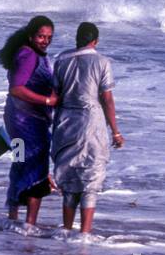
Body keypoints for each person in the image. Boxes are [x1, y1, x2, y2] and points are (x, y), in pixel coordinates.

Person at [51, 22, 124, 233]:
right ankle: (84, 234)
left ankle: (66, 230)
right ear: (95, 41)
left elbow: (55, 95)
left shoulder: (61, 59)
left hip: (65, 122)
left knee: (68, 177)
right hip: (91, 122)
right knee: (91, 177)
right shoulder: (101, 62)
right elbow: (107, 99)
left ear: (77, 39)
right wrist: (116, 132)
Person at [0, 16, 57, 226]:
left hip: (18, 119)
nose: (45, 41)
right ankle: (30, 224)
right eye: (41, 36)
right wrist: (48, 100)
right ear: (31, 36)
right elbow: (16, 88)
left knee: (20, 162)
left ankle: (13, 218)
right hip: (27, 122)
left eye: (49, 37)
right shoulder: (28, 55)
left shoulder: (28, 52)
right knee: (36, 165)